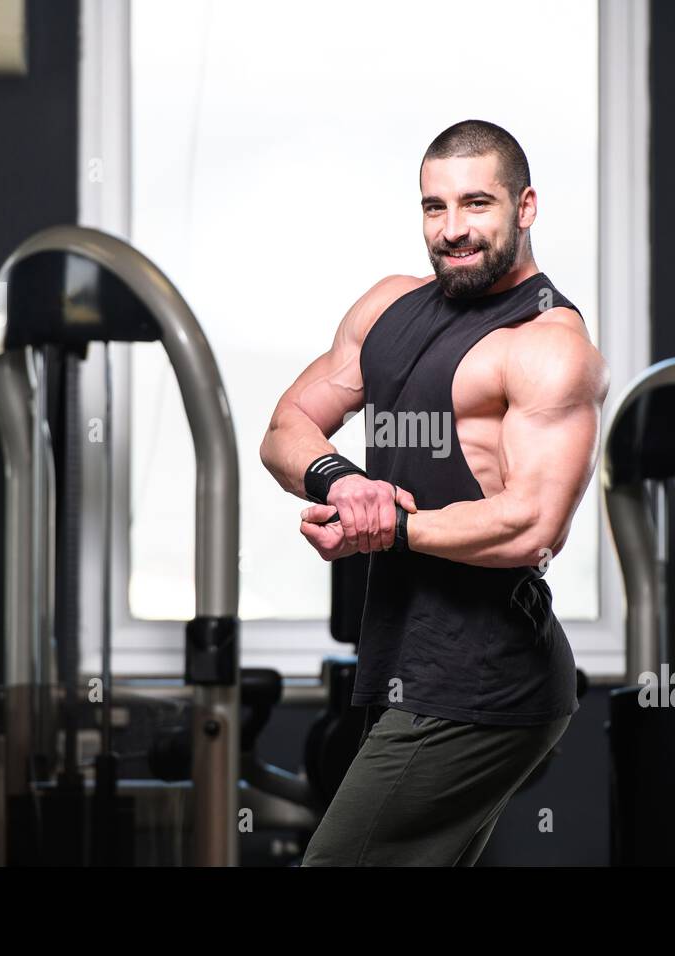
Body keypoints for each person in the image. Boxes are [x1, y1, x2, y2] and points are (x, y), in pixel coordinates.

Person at [259, 119, 610, 865]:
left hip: (483, 674)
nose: (453, 230)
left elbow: (533, 526)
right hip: (402, 660)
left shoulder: (549, 345)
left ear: (526, 207)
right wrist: (344, 481)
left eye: (476, 204)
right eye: (434, 206)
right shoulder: (388, 306)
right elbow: (287, 425)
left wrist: (391, 528)